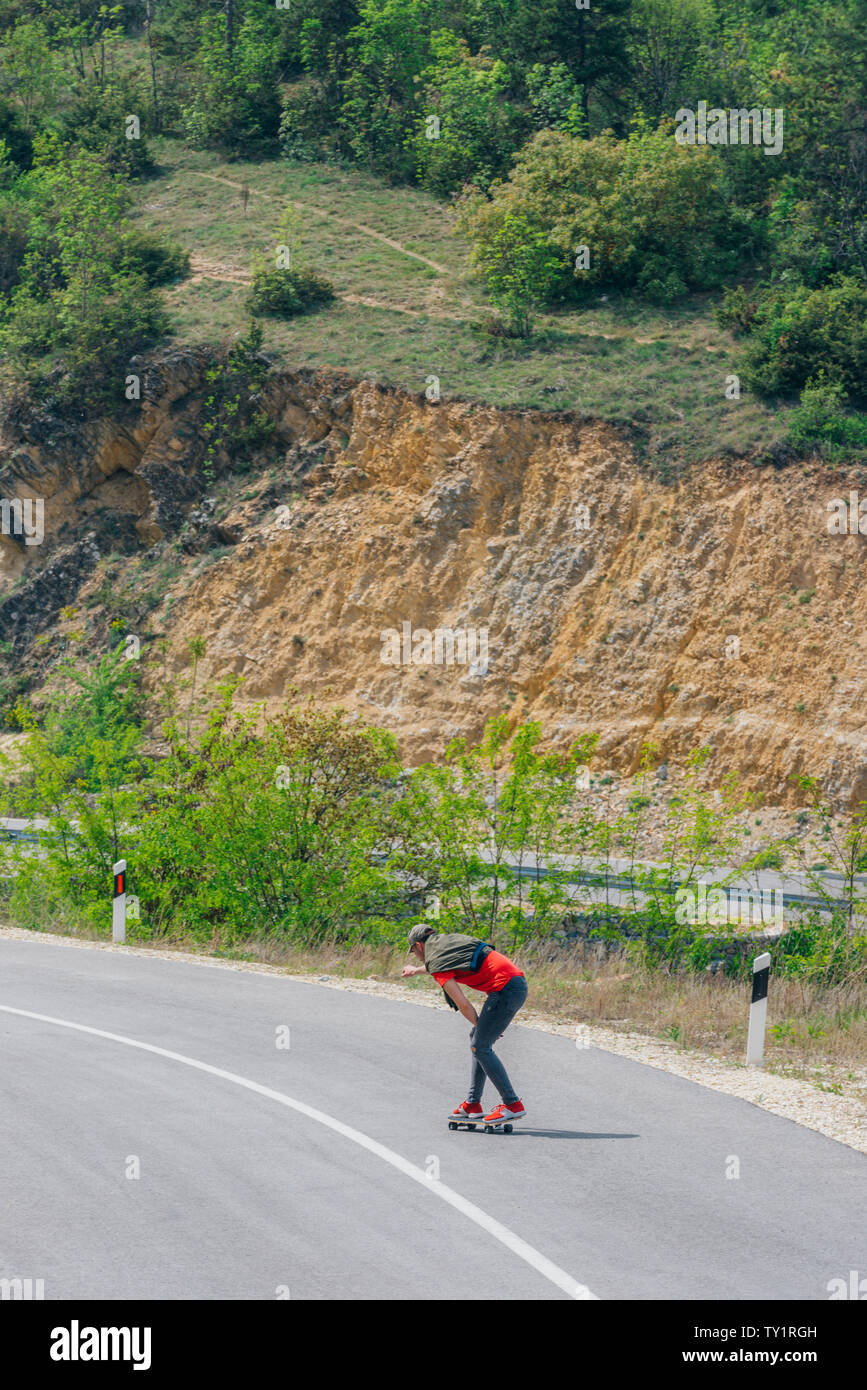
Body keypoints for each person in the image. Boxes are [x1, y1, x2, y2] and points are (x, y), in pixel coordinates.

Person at [402, 923, 528, 1124]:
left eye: (414, 951)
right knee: (478, 1041)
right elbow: (437, 964)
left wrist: (481, 1024)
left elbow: (463, 1004)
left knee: (480, 1045)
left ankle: (512, 1104)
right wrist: (415, 970)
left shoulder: (436, 960)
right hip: (513, 983)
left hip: (505, 990)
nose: (416, 955)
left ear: (419, 945)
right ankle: (473, 1104)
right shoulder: (447, 944)